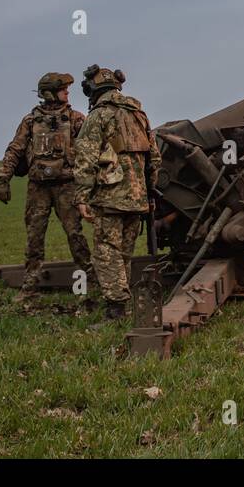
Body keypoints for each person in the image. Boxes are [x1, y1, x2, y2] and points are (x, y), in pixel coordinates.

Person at [72, 65, 161, 319]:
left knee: (106, 251)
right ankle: (124, 302)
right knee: (124, 251)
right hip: (138, 197)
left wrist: (82, 197)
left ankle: (116, 309)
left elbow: (86, 159)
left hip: (110, 198)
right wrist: (149, 192)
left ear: (93, 91)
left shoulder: (98, 116)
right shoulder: (138, 115)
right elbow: (154, 158)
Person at [0, 73, 96, 301]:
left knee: (75, 236)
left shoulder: (75, 118)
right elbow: (15, 150)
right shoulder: (31, 121)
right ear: (50, 92)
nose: (67, 92)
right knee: (34, 237)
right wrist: (4, 179)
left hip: (67, 186)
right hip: (38, 188)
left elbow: (90, 150)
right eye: (63, 88)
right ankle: (29, 287)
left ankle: (89, 283)